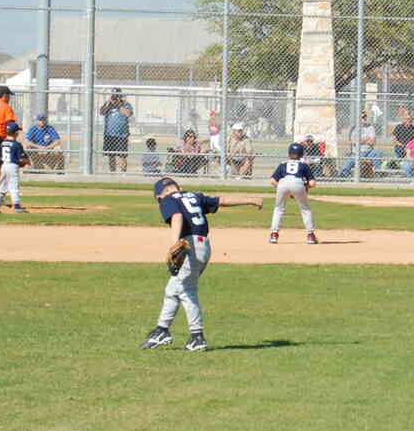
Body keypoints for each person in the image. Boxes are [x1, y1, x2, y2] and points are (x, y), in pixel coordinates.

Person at [139, 175, 262, 353]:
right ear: (178, 187)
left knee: (187, 291)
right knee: (173, 289)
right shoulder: (194, 196)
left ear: (159, 196)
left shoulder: (167, 199)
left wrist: (174, 244)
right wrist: (250, 199)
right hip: (203, 246)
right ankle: (162, 330)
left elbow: (176, 216)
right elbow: (223, 200)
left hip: (190, 246)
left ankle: (197, 336)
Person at [268, 141, 319, 244]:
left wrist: (284, 189)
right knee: (305, 209)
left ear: (288, 154)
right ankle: (310, 236)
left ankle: (274, 235)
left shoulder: (283, 164)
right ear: (301, 155)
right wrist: (301, 188)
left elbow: (272, 181)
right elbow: (312, 183)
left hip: (283, 183)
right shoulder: (303, 165)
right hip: (298, 183)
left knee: (278, 209)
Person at [0, 120, 29, 215]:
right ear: (16, 133)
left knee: (2, 187)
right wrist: (26, 162)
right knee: (14, 187)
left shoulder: (2, 143)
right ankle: (17, 206)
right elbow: (22, 159)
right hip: (12, 166)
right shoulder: (17, 144)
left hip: (4, 166)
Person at [100, 88, 134, 173]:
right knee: (111, 155)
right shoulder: (108, 104)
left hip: (122, 135)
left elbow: (128, 114)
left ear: (120, 96)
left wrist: (119, 105)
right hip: (109, 135)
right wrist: (108, 104)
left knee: (122, 156)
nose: (114, 97)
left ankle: (123, 173)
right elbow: (102, 112)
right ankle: (112, 173)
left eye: (116, 95)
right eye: (113, 95)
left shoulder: (126, 104)